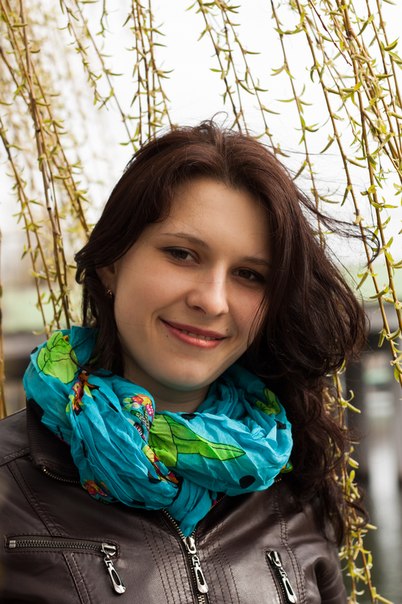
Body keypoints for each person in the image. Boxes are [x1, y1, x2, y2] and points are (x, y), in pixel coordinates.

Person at [0, 121, 366, 603]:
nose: (212, 300)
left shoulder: (292, 491)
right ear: (112, 263)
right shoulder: (10, 487)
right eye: (182, 254)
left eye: (249, 275)